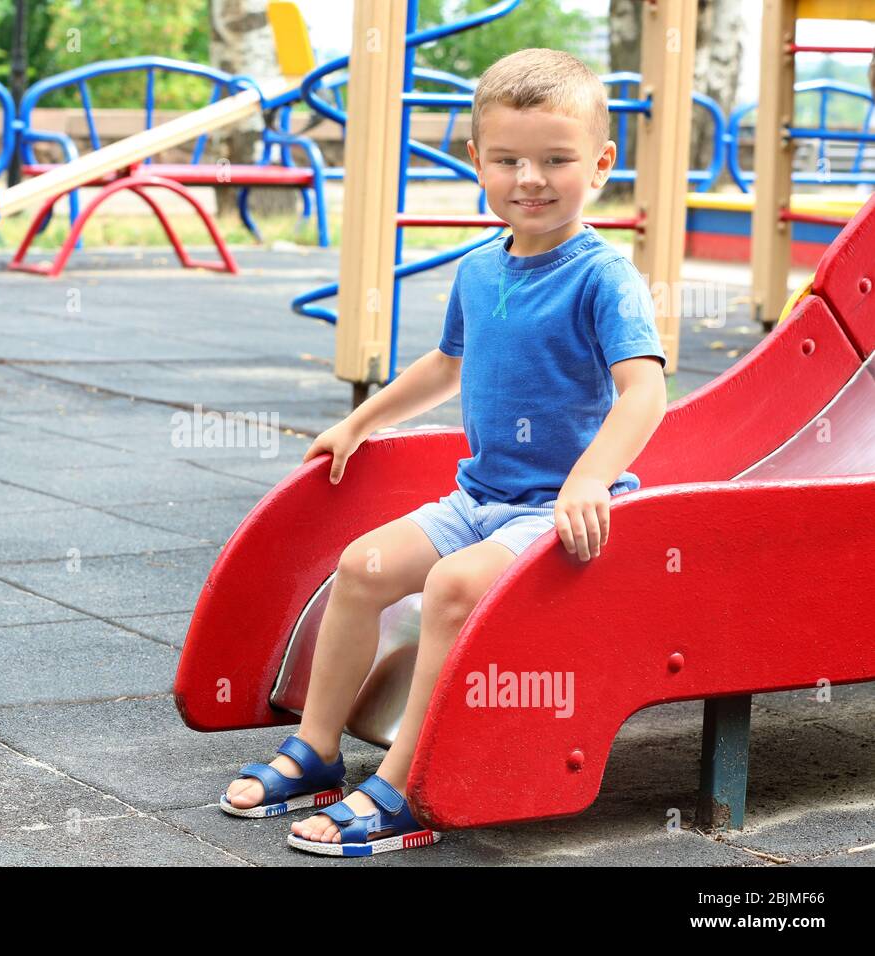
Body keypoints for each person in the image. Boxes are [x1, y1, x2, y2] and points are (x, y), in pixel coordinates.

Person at [219, 48, 669, 857]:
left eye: (556, 160)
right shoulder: (478, 269)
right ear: (477, 161)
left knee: (453, 587)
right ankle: (318, 750)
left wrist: (590, 479)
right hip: (481, 497)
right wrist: (362, 422)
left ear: (601, 164)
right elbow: (444, 365)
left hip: (557, 513)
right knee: (360, 567)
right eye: (508, 160)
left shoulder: (605, 278)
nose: (530, 179)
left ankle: (406, 782)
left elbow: (645, 390)